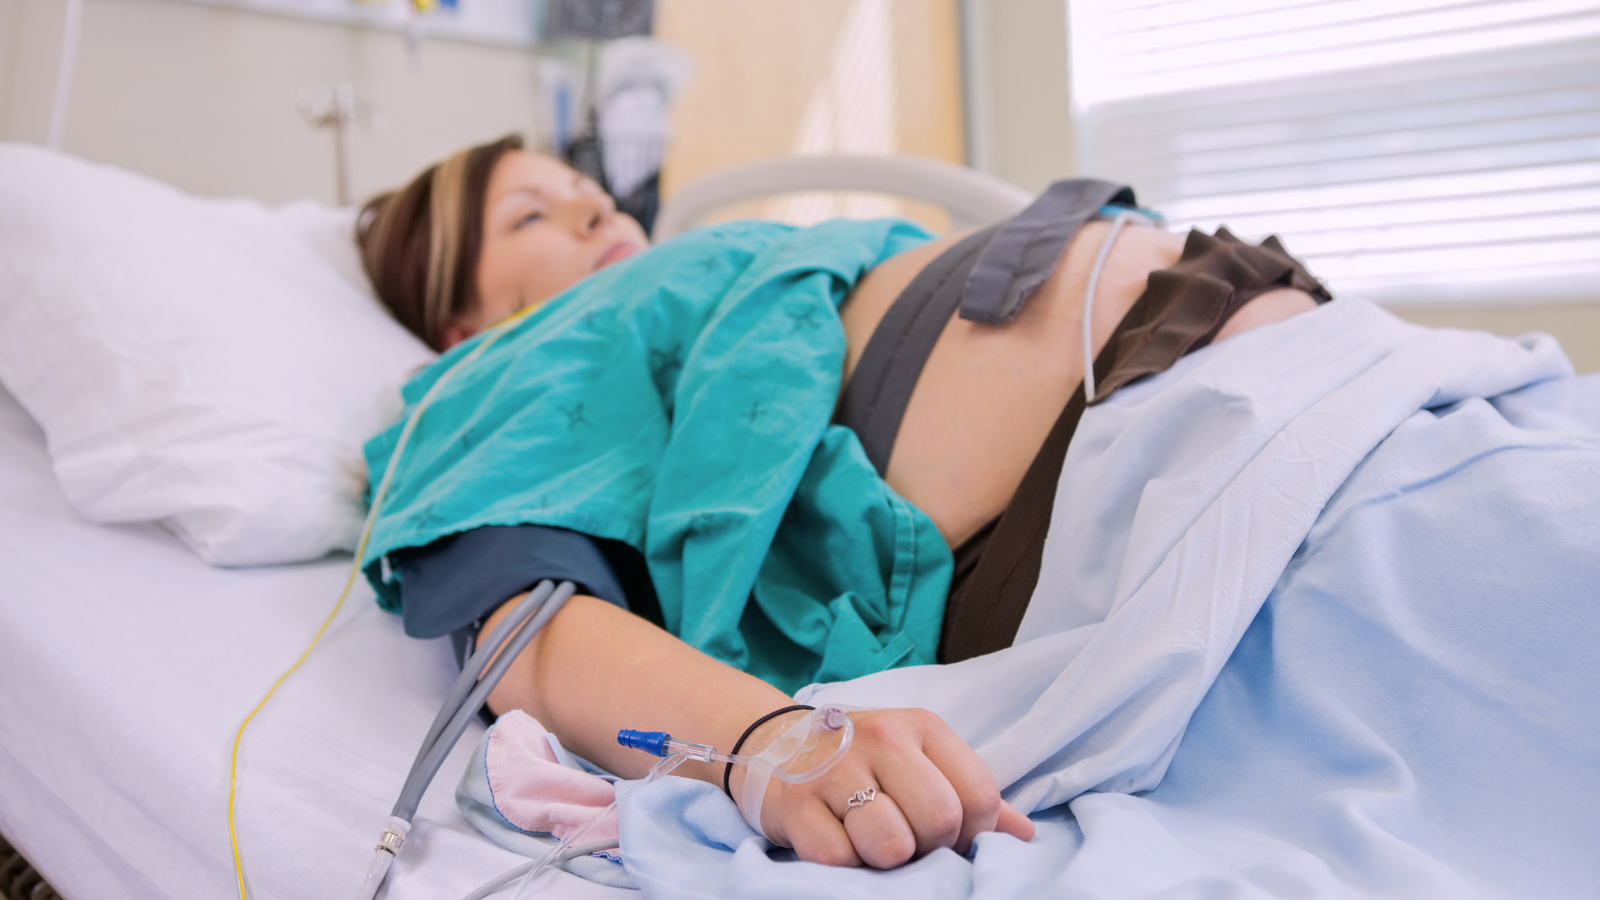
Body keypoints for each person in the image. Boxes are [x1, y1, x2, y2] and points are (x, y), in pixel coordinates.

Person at [355, 134, 1327, 869]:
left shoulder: (708, 281)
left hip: (1247, 347)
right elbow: (526, 633)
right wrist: (768, 744)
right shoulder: (491, 390)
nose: (595, 216)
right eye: (530, 218)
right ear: (457, 321)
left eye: (593, 196)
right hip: (1102, 487)